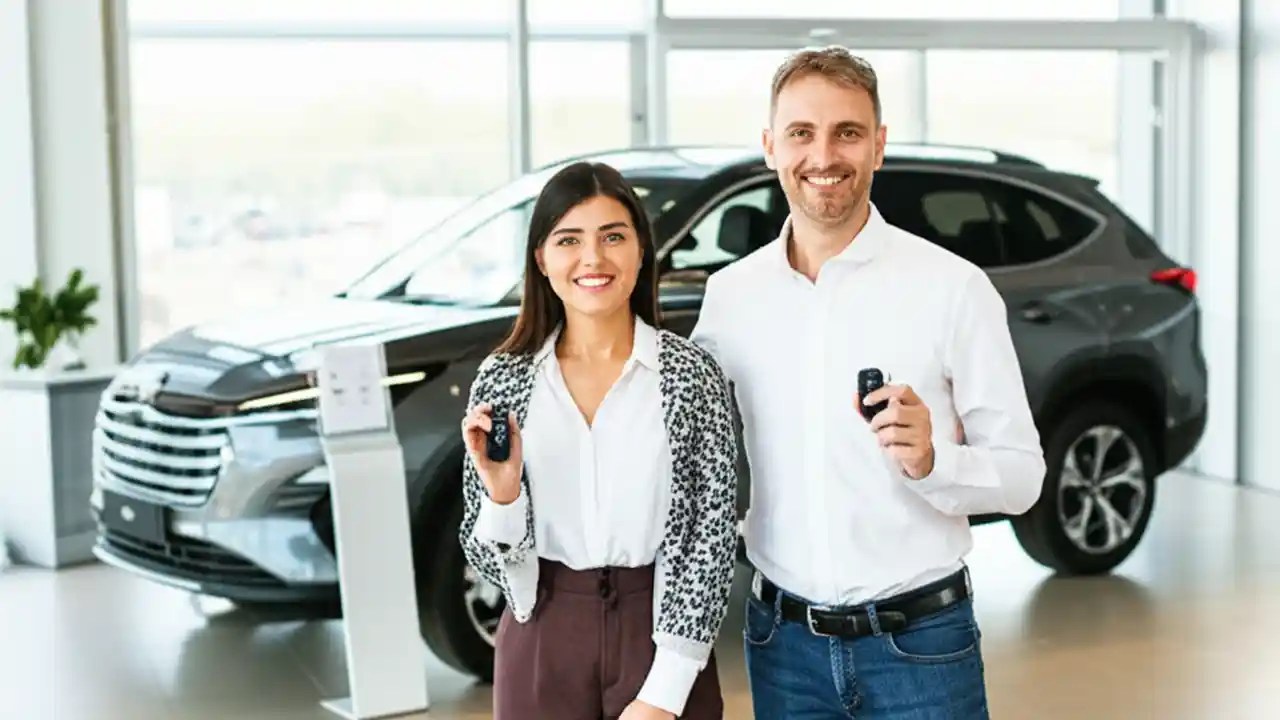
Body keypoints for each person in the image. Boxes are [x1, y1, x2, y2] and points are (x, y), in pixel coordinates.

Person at [691, 47, 1047, 718]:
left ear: (879, 146)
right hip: (781, 647)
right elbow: (689, 455)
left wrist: (934, 461)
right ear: (770, 146)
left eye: (847, 132)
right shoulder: (731, 296)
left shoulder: (953, 288)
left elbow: (1023, 476)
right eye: (801, 132)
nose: (823, 155)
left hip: (921, 649)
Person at [458, 161, 738, 720]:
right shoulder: (504, 378)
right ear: (541, 259)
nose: (593, 259)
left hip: (660, 633)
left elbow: (711, 542)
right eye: (569, 240)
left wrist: (664, 693)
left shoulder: (691, 375)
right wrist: (504, 497)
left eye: (613, 236)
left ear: (641, 252)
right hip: (543, 635)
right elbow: (487, 562)